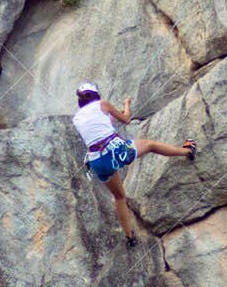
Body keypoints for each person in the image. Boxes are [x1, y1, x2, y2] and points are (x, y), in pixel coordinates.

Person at [71, 82, 196, 246]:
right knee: (151, 145)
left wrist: (110, 120)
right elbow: (127, 119)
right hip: (116, 150)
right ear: (95, 94)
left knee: (119, 197)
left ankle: (129, 237)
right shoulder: (103, 104)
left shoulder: (77, 118)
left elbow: (97, 129)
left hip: (97, 160)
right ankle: (187, 151)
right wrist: (127, 104)